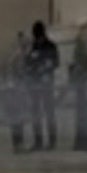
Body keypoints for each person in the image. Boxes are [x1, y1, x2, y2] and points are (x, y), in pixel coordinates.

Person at [20, 21, 60, 151]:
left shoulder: (50, 46)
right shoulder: (35, 47)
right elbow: (28, 63)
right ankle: (39, 140)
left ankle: (51, 140)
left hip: (46, 82)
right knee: (37, 113)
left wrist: (44, 69)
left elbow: (55, 62)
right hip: (36, 83)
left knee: (48, 112)